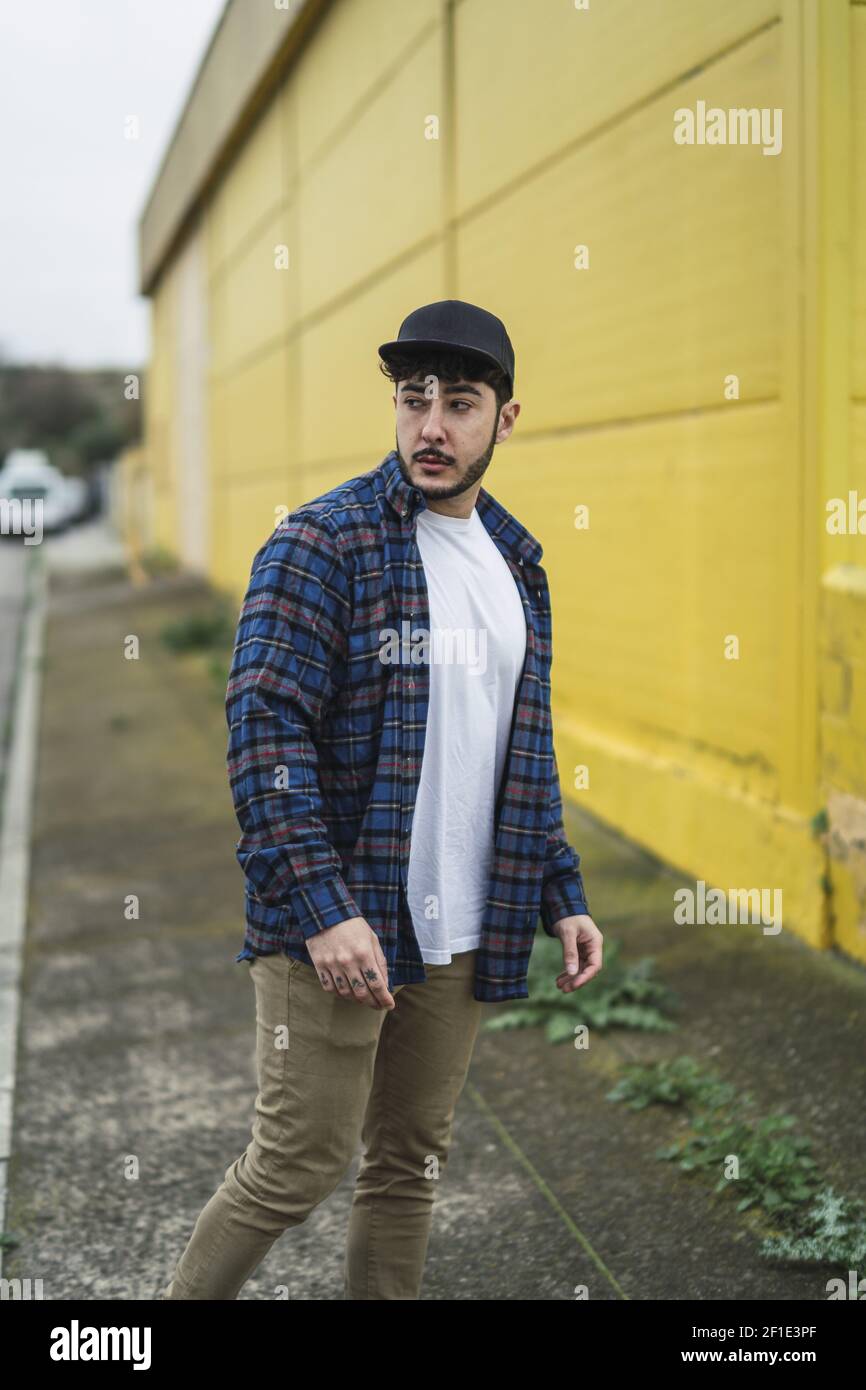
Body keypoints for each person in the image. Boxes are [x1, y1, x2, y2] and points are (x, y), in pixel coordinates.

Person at [160, 299, 603, 1300]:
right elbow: (264, 735)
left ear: (506, 417)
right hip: (337, 925)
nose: (431, 426)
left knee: (408, 1166)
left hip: (456, 929)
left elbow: (515, 744)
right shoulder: (324, 543)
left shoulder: (515, 564)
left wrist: (558, 889)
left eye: (458, 402)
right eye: (413, 401)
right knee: (295, 1166)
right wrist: (323, 911)